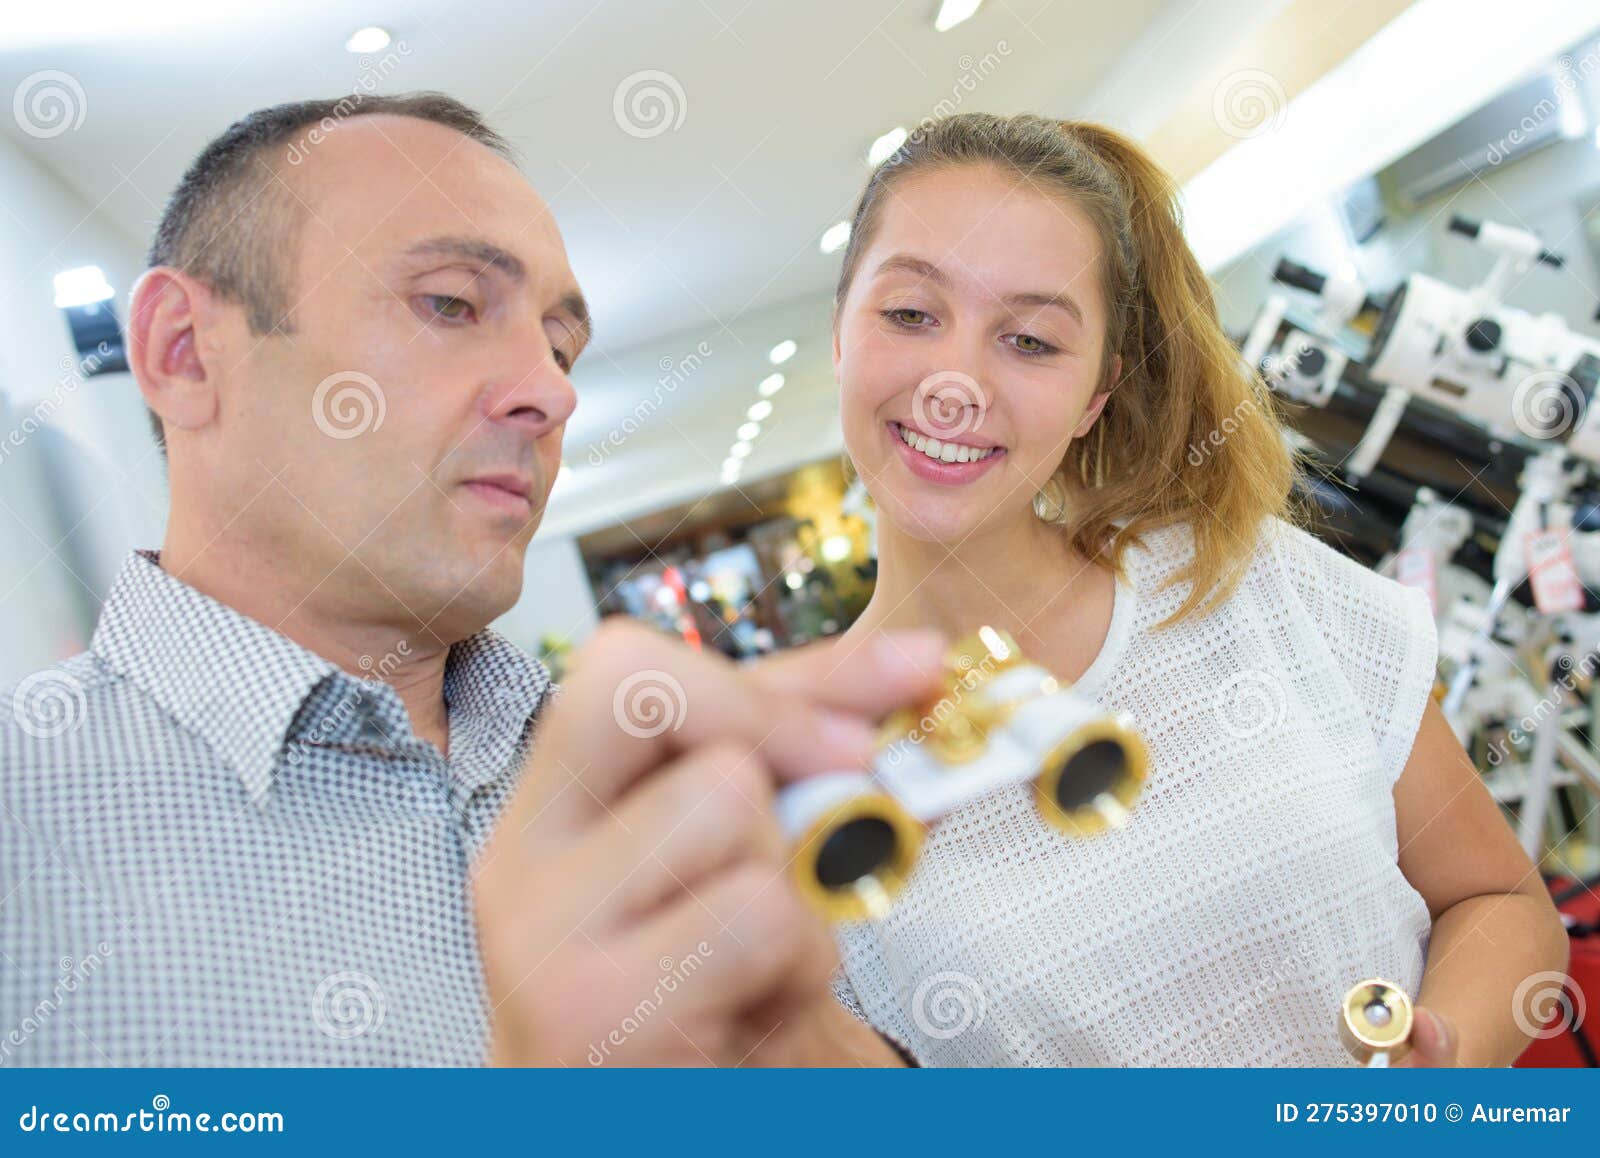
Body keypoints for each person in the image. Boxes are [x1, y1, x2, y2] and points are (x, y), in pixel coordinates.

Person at [0, 93, 943, 1067]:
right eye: (449, 304)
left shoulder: (674, 780)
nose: (553, 389)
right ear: (183, 353)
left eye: (560, 345)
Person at [822, 113, 1569, 1066]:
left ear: (1097, 393)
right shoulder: (804, 779)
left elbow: (1496, 900)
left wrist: (1439, 1068)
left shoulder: (1245, 583)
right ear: (840, 334)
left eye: (1031, 340)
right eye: (911, 315)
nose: (955, 384)